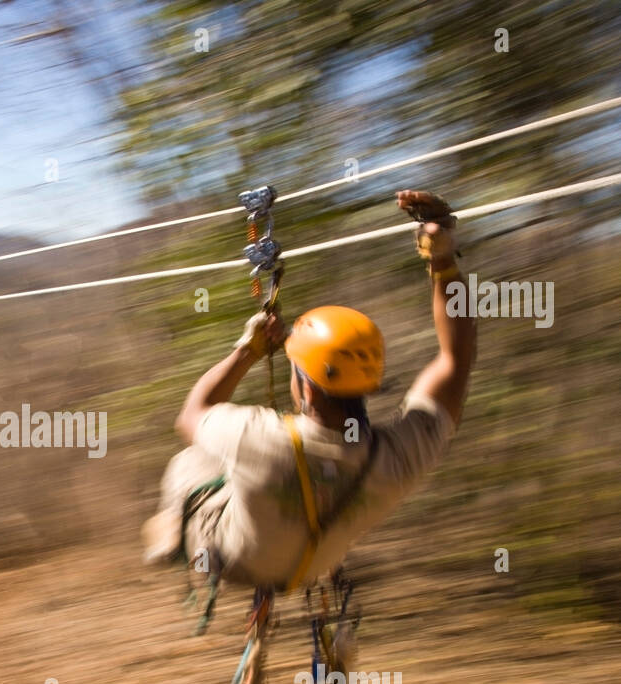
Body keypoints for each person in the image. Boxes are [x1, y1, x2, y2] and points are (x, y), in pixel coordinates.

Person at [142, 190, 474, 591]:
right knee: (240, 469)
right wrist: (442, 259)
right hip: (306, 569)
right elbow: (455, 359)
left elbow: (192, 413)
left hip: (231, 562)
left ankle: (173, 535)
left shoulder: (258, 436)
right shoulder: (400, 457)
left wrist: (246, 352)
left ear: (309, 391)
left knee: (191, 461)